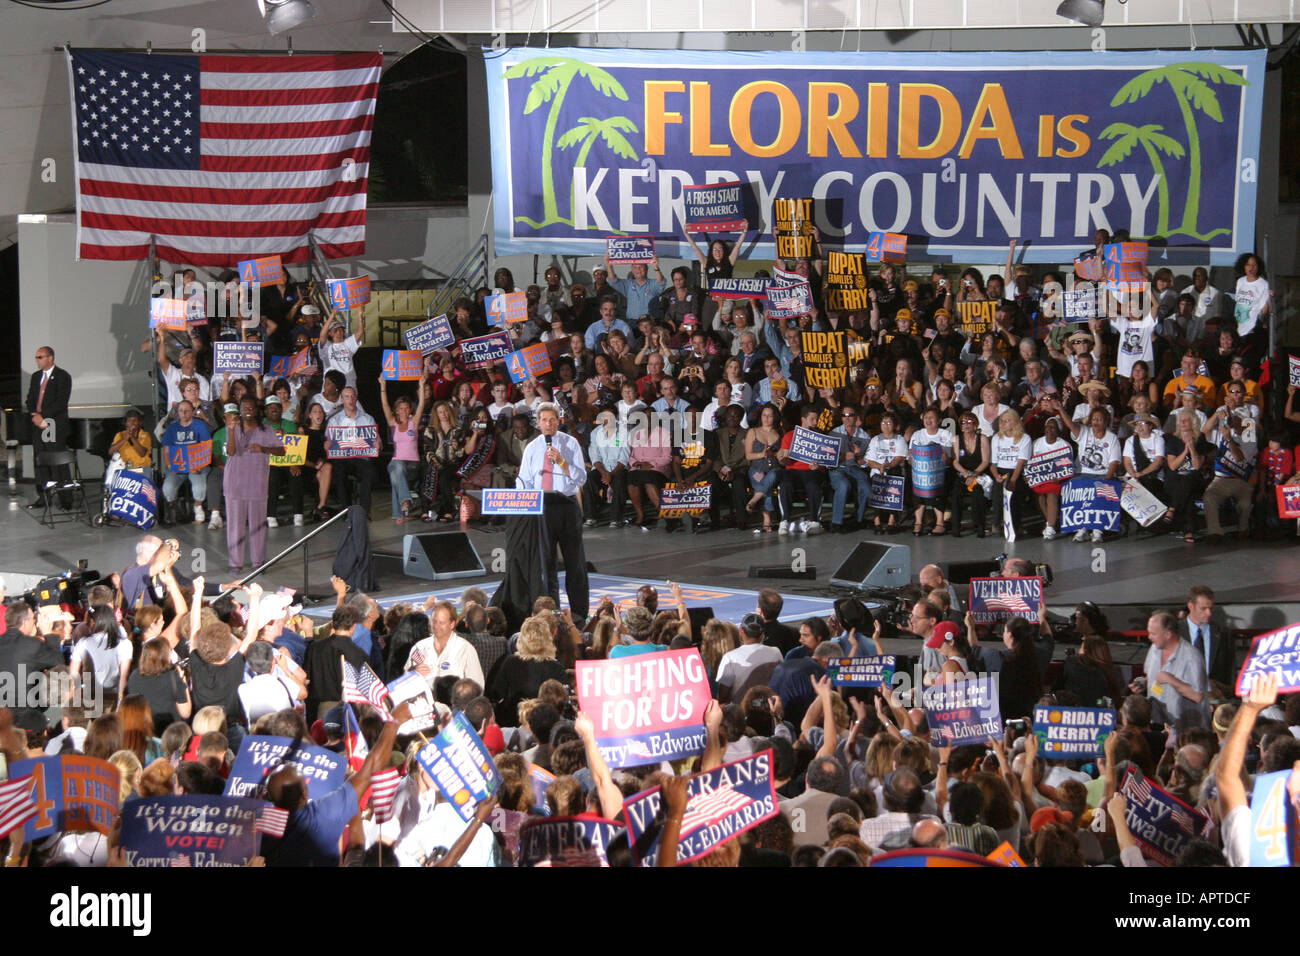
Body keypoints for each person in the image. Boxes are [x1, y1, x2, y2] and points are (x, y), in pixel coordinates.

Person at [518, 403, 589, 621]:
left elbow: (582, 478)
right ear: (538, 423)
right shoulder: (531, 448)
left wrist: (561, 462)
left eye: (552, 420)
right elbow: (523, 480)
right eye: (544, 420)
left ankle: (579, 612)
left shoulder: (570, 443)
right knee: (546, 564)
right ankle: (551, 611)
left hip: (566, 505)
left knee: (575, 562)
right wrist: (521, 501)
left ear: (558, 421)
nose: (548, 424)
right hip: (542, 508)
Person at [223, 397, 283, 573]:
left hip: (257, 483)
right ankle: (235, 563)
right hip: (235, 483)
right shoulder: (233, 427)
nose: (248, 409)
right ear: (239, 410)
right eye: (244, 407)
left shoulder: (266, 430)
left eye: (251, 407)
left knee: (257, 525)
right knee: (235, 526)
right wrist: (231, 430)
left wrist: (263, 448)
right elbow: (231, 451)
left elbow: (281, 450)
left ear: (256, 410)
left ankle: (258, 562)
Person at [1130, 610, 1207, 731]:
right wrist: (1143, 683)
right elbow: (1152, 677)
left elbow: (1197, 696)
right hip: (1158, 724)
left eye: (1153, 634)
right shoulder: (1154, 649)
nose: (1149, 637)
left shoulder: (1191, 657)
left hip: (1185, 731)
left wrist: (1171, 680)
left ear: (1167, 634)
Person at [380, 375, 428, 525]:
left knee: (395, 476)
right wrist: (383, 385)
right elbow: (385, 406)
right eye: (400, 408)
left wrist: (421, 385)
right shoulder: (393, 423)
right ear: (396, 410)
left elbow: (421, 405)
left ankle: (398, 513)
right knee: (397, 467)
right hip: (396, 461)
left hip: (413, 464)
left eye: (406, 408)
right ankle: (405, 502)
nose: (404, 410)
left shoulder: (414, 423)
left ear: (410, 410)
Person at [159, 400, 212, 526]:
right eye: (181, 410)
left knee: (199, 487)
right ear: (177, 413)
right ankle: (173, 508)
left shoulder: (200, 425)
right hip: (178, 466)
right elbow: (166, 451)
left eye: (187, 410)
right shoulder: (172, 428)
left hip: (197, 465)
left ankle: (197, 507)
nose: (183, 413)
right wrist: (170, 466)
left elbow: (207, 448)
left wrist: (198, 466)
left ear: (192, 412)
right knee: (168, 487)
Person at [327, 386, 377, 519]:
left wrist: (378, 443)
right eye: (346, 396)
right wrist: (327, 444)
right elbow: (329, 443)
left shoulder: (367, 419)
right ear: (342, 399)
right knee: (339, 471)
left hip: (361, 458)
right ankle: (346, 511)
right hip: (342, 458)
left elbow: (376, 441)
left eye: (352, 396)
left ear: (356, 399)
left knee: (369, 472)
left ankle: (364, 512)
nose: (350, 399)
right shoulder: (334, 420)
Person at [1179, 585, 1234, 689]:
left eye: (1210, 608)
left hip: (1216, 698)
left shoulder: (1223, 634)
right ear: (1190, 606)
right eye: (1203, 609)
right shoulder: (1174, 633)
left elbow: (1230, 671)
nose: (1209, 613)